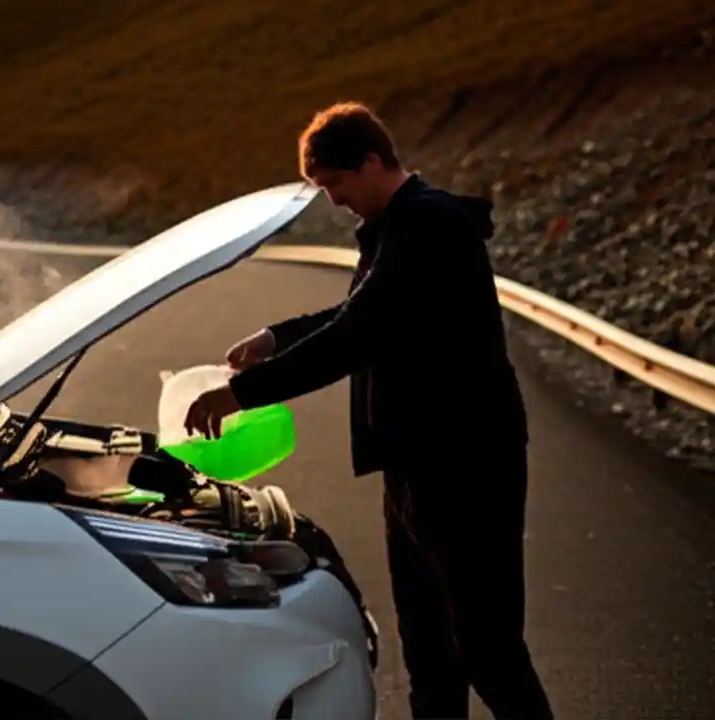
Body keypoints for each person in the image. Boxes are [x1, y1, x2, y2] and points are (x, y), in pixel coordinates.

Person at [184, 101, 555, 720]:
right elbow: (357, 313)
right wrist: (276, 338)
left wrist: (241, 394)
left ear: (373, 161)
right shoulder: (397, 227)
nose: (333, 200)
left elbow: (358, 332)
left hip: (468, 464)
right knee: (429, 651)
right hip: (414, 464)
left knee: (488, 648)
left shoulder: (430, 225)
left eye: (336, 183)